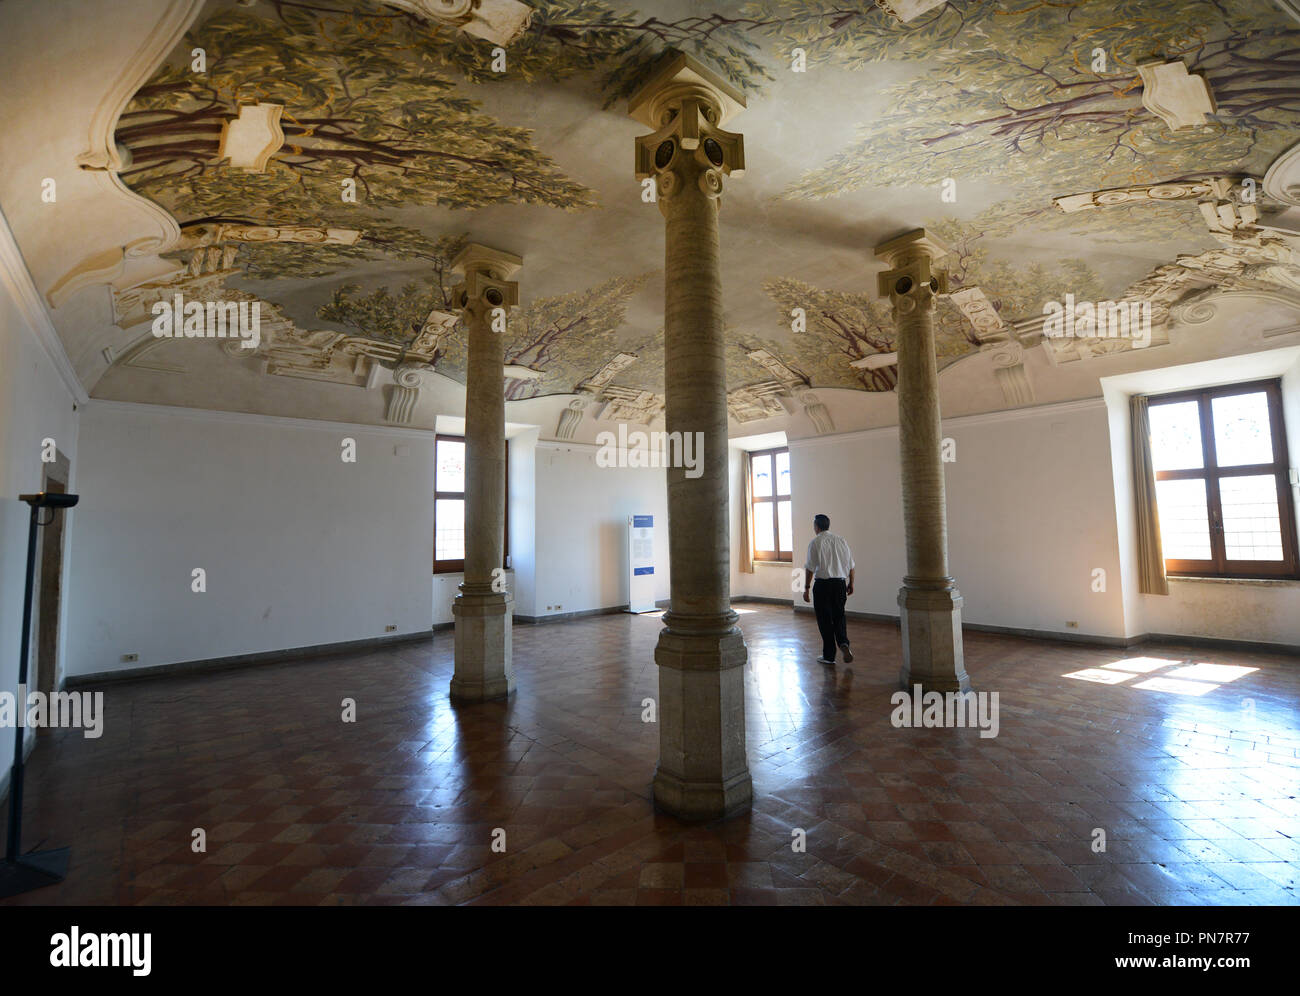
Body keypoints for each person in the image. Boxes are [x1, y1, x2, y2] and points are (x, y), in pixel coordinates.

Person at [802, 514, 855, 666]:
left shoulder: (815, 542)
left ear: (816, 527)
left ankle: (829, 656)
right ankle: (843, 643)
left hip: (823, 586)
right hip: (840, 584)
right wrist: (851, 583)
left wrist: (806, 587)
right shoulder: (841, 540)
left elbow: (810, 568)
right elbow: (851, 565)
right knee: (839, 616)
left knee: (824, 620)